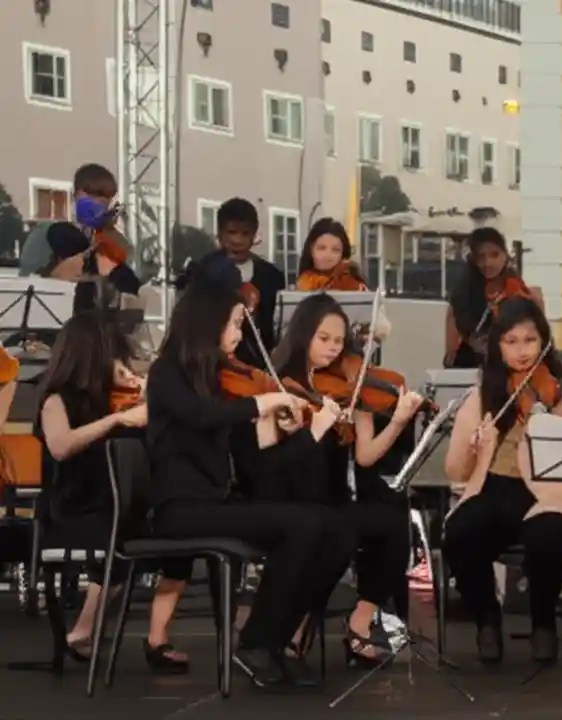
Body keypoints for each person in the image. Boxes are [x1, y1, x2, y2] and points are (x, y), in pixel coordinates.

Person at [144, 281, 356, 689]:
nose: (240, 335)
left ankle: (272, 640)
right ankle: (257, 642)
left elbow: (255, 465)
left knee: (338, 529)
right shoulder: (168, 372)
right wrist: (265, 402)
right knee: (304, 525)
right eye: (235, 324)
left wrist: (292, 434)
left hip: (218, 504)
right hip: (180, 510)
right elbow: (201, 417)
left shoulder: (221, 381)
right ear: (207, 324)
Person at [266, 294, 424, 667]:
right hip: (293, 497)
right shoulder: (279, 381)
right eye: (324, 339)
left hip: (333, 498)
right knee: (340, 532)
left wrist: (399, 420)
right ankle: (303, 619)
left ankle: (360, 620)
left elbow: (367, 455)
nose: (333, 349)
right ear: (304, 334)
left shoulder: (349, 383)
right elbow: (273, 460)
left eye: (338, 341)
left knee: (392, 515)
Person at [35, 313, 190, 672]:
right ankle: (87, 630)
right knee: (127, 532)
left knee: (156, 528)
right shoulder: (56, 399)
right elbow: (60, 446)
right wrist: (115, 421)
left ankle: (109, 633)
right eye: (114, 356)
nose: (121, 364)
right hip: (73, 506)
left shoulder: (116, 396)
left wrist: (150, 390)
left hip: (116, 502)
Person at [442, 296, 562, 665]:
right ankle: (486, 618)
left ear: (544, 342)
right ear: (497, 347)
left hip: (549, 492)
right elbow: (456, 472)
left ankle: (543, 622)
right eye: (511, 342)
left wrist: (556, 414)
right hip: (493, 487)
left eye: (530, 340)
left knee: (549, 532)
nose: (522, 351)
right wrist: (476, 445)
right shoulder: (481, 395)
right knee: (459, 531)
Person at [19, 163, 143, 314]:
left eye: (104, 200)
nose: (97, 204)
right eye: (91, 196)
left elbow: (125, 285)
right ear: (75, 195)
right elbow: (28, 278)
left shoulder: (103, 238)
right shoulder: (49, 232)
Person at [179, 198, 286, 368]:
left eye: (245, 234)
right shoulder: (203, 271)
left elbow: (274, 327)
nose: (237, 240)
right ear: (219, 234)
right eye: (231, 232)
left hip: (258, 363)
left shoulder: (271, 275)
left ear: (255, 235)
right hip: (211, 362)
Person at [445, 228, 541, 368]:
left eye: (494, 255)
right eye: (481, 257)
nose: (488, 263)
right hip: (470, 364)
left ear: (505, 255)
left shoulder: (517, 289)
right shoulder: (464, 291)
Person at [295, 218, 369, 291]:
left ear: (343, 253)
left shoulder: (352, 279)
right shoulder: (304, 281)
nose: (328, 255)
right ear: (310, 249)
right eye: (321, 248)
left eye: (336, 250)